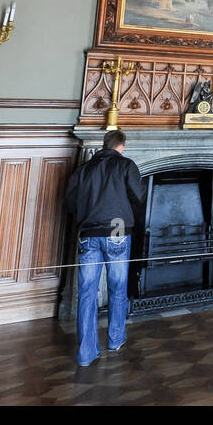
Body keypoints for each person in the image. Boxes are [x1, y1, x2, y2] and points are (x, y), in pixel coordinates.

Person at [63, 129, 146, 366]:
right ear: (122, 146)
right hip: (118, 231)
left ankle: (86, 353)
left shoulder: (83, 169)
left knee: (87, 292)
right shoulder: (126, 165)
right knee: (117, 288)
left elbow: (69, 202)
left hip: (88, 233)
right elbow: (139, 197)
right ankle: (115, 339)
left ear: (103, 145)